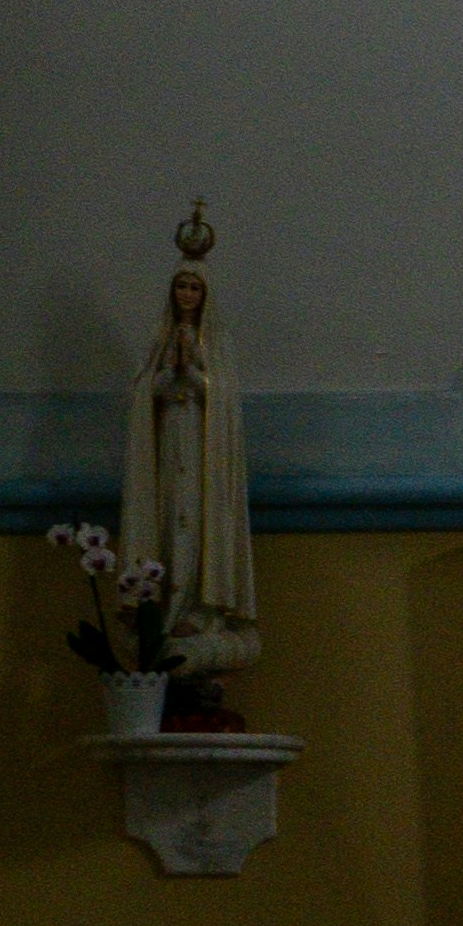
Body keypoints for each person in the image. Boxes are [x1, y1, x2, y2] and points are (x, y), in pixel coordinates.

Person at [118, 204, 259, 683]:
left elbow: (223, 400)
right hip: (168, 450)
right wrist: (164, 377)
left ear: (206, 294)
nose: (187, 294)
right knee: (166, 522)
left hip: (203, 457)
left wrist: (194, 374)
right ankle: (162, 606)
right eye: (181, 285)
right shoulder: (159, 342)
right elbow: (144, 394)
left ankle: (198, 607)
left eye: (195, 286)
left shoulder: (218, 346)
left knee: (195, 525)